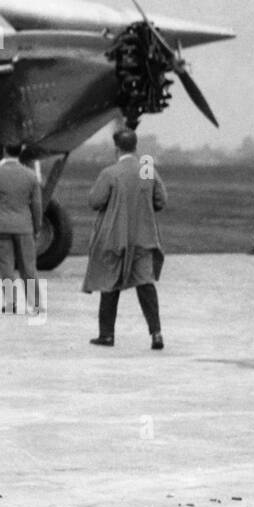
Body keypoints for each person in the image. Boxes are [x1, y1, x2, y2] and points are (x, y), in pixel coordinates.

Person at [83, 127, 167, 350]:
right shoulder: (147, 169)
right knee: (146, 284)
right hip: (144, 237)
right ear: (136, 147)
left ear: (117, 149)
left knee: (109, 283)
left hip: (114, 237)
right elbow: (160, 200)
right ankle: (156, 333)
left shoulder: (110, 172)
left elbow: (94, 201)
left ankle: (107, 335)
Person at [0, 143, 43, 314]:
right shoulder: (31, 176)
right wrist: (37, 227)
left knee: (6, 267)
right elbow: (37, 205)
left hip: (1, 226)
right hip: (24, 227)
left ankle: (11, 302)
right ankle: (35, 303)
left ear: (4, 152)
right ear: (21, 152)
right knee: (28, 267)